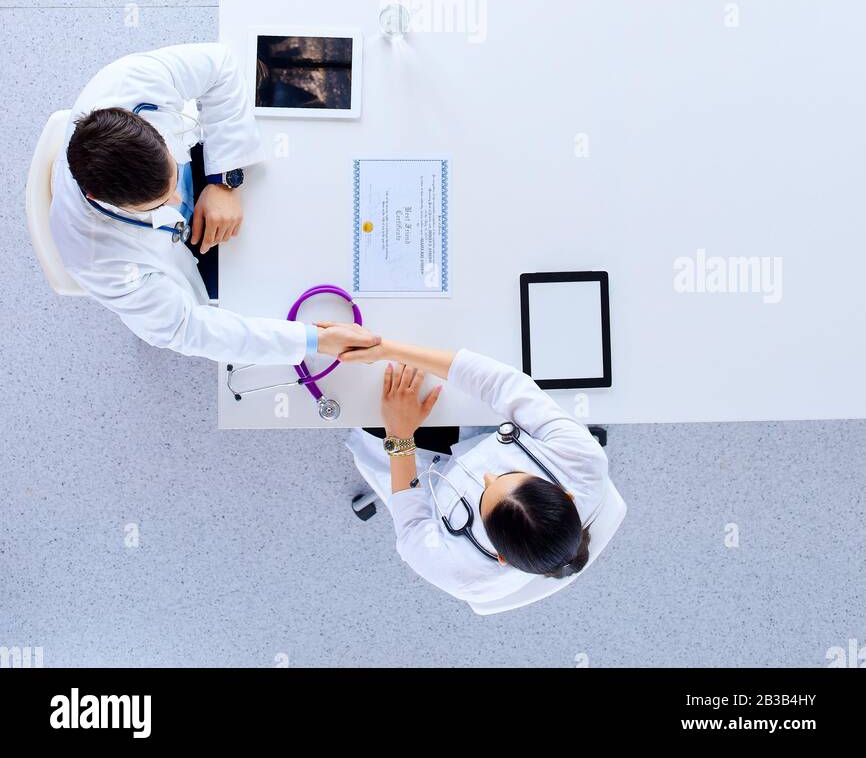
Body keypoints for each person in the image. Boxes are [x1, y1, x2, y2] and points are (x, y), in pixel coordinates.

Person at [50, 43, 379, 366]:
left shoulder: (131, 80)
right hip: (185, 252)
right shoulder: (100, 261)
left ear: (149, 128)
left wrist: (225, 180)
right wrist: (312, 340)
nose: (179, 199)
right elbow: (187, 329)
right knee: (276, 283)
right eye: (159, 204)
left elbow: (221, 65)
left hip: (215, 182)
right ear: (100, 200)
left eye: (172, 176)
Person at [343, 339, 614, 610]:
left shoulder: (462, 575)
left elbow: (412, 526)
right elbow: (504, 385)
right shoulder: (582, 462)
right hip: (479, 431)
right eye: (511, 474)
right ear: (565, 493)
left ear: (501, 557)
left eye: (484, 496)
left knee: (363, 408)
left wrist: (399, 435)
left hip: (427, 476)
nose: (488, 478)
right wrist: (388, 350)